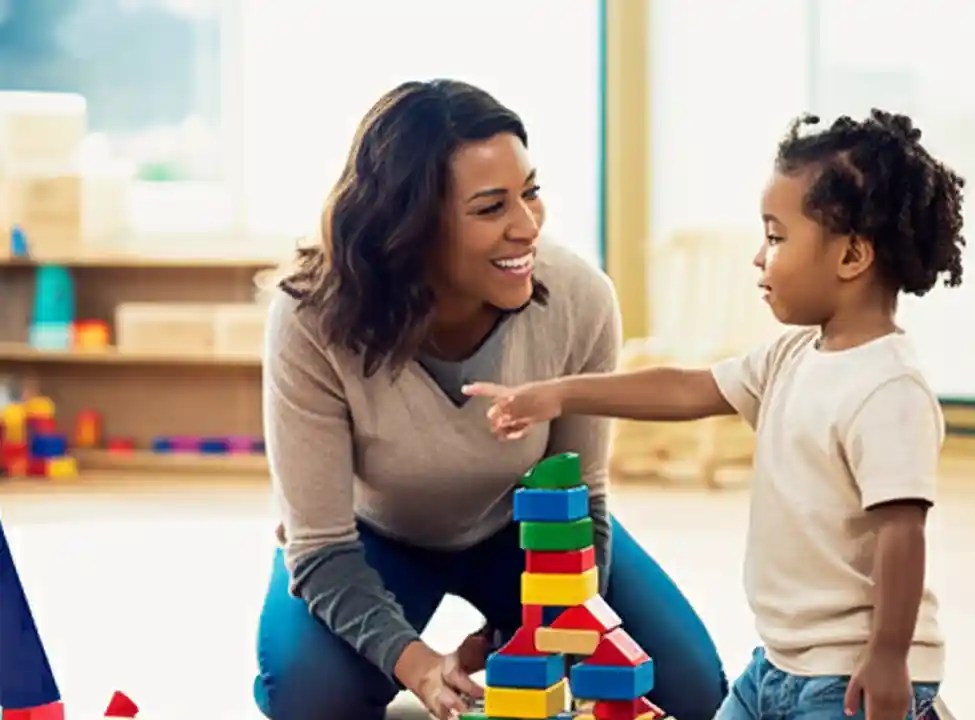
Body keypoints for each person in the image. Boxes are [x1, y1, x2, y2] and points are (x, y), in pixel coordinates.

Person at [463, 110, 965, 720]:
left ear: (852, 256)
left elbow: (902, 534)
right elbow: (685, 390)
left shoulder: (889, 389)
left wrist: (888, 660)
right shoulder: (791, 354)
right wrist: (560, 395)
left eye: (777, 238)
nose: (759, 258)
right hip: (778, 664)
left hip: (852, 674)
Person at [252, 79, 727, 720]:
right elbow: (318, 545)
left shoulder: (580, 297)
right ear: (411, 226)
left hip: (523, 536)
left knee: (690, 691)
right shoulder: (311, 316)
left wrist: (544, 638)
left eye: (531, 192)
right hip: (375, 542)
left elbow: (582, 500)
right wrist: (418, 665)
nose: (526, 227)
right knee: (309, 698)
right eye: (490, 208)